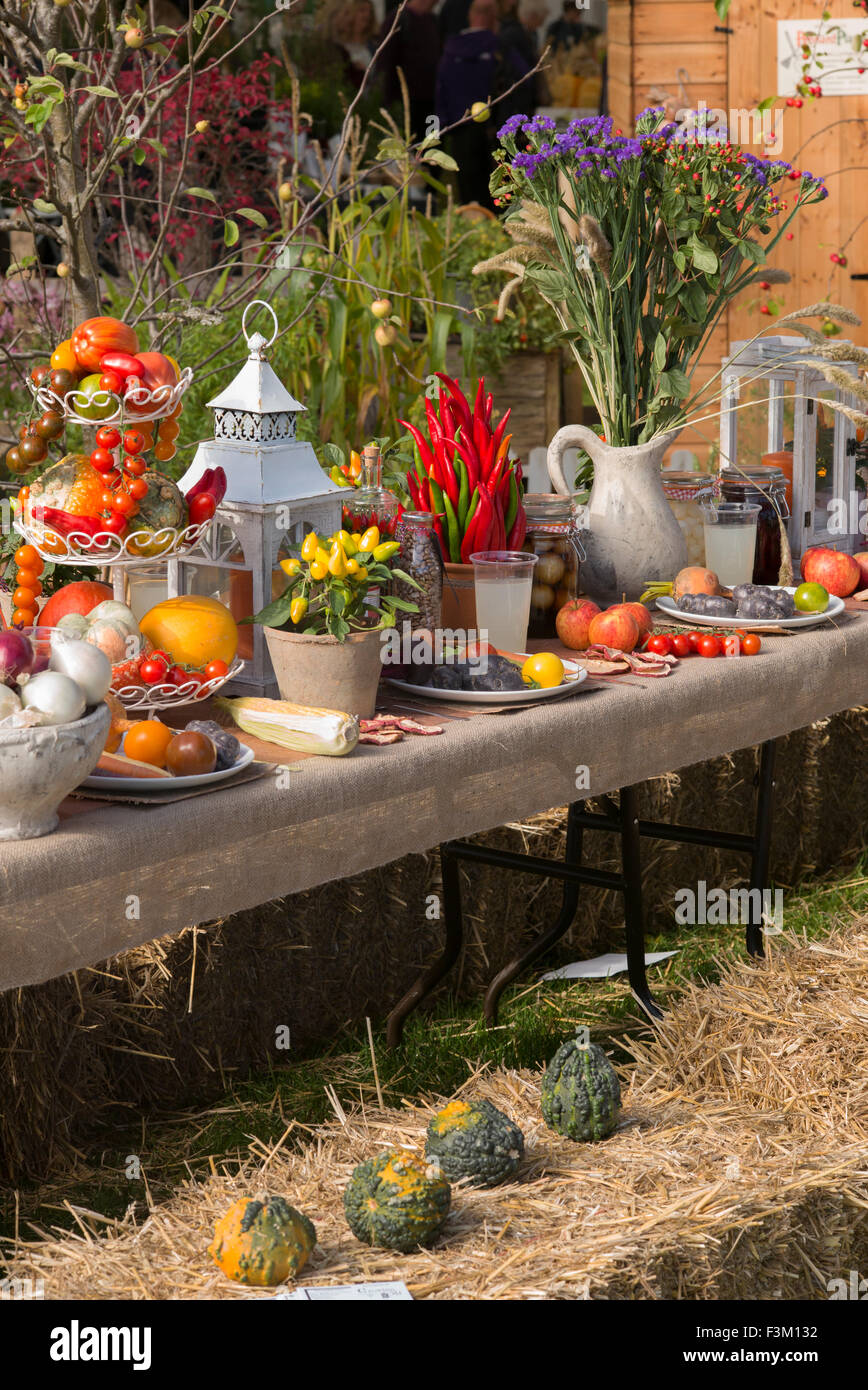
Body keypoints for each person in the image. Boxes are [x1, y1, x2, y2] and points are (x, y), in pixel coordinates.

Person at [436, 0, 531, 207]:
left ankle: (472, 227)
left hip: (459, 126)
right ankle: (496, 230)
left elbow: (440, 88)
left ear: (471, 16)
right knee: (498, 189)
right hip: (494, 129)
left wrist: (442, 124)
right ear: (492, 18)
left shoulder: (450, 49)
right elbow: (525, 79)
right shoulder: (500, 47)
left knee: (467, 189)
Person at [376, 0, 441, 139]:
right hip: (406, 106)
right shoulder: (398, 19)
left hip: (431, 106)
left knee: (431, 149)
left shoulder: (433, 20)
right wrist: (389, 104)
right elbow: (385, 64)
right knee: (408, 153)